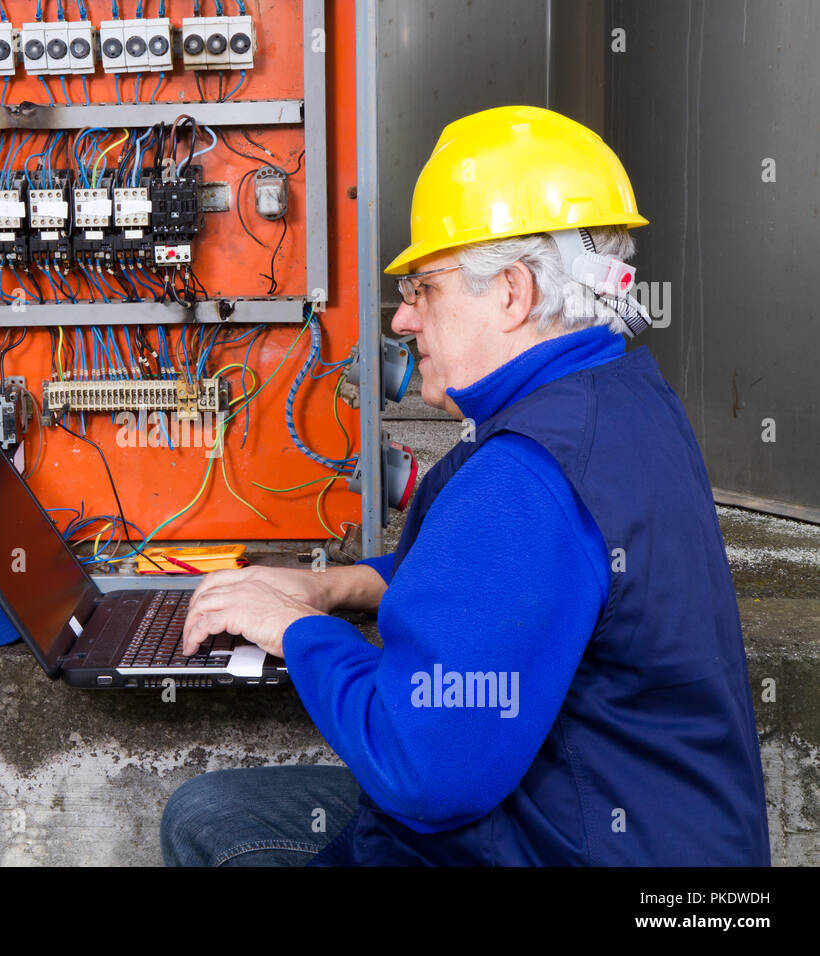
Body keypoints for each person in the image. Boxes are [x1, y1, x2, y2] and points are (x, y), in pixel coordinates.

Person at [161, 106, 770, 866]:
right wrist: (338, 586)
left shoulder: (526, 479)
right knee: (210, 816)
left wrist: (290, 630)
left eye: (422, 288)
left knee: (217, 824)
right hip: (634, 829)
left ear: (512, 292)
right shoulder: (617, 396)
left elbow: (423, 769)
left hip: (556, 844)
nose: (405, 320)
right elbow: (502, 587)